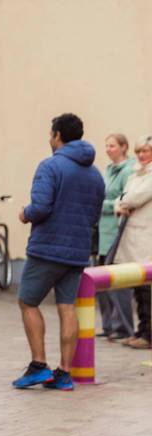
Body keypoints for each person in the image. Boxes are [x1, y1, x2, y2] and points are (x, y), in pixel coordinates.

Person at [12, 113, 105, 390]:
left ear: (57, 135)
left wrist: (25, 214)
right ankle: (64, 373)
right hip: (77, 252)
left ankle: (39, 365)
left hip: (47, 249)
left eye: (50, 134)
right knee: (67, 307)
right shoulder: (96, 174)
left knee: (28, 302)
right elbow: (95, 215)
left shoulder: (50, 166)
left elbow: (40, 207)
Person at [115, 134, 152, 350]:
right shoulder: (135, 173)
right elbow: (120, 199)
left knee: (147, 289)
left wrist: (123, 203)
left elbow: (133, 198)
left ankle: (148, 335)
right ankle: (141, 330)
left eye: (145, 151)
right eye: (138, 151)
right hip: (133, 236)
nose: (141, 155)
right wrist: (120, 205)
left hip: (145, 238)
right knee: (138, 289)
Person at [98, 133, 135, 342]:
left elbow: (122, 202)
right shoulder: (108, 170)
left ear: (123, 147)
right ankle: (109, 325)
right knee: (101, 281)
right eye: (106, 145)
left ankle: (123, 327)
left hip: (116, 231)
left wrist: (105, 206)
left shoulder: (128, 171)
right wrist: (108, 205)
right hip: (102, 231)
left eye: (112, 145)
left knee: (117, 282)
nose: (108, 149)